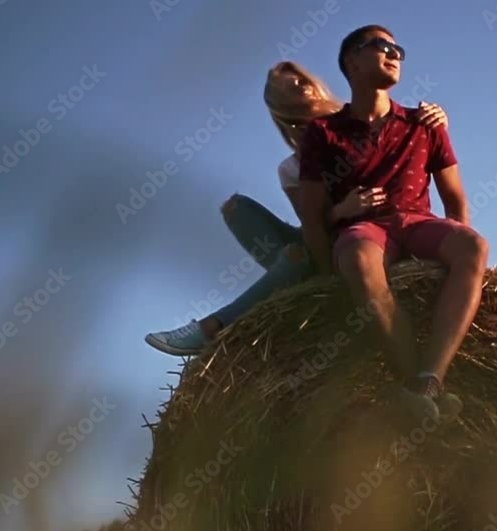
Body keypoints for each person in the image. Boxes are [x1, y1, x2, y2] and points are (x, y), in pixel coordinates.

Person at [145, 61, 449, 356]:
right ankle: (302, 280)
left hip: (378, 238)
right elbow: (315, 224)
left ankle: (214, 326)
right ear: (278, 106)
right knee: (237, 209)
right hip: (328, 242)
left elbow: (410, 142)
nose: (298, 83)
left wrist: (435, 120)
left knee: (295, 257)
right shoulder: (292, 168)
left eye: (300, 78)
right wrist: (343, 209)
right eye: (285, 86)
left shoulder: (365, 122)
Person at [298, 25, 489, 422]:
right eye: (381, 46)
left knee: (474, 246)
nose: (394, 54)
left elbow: (455, 199)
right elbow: (312, 215)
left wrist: (448, 264)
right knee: (358, 258)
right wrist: (323, 275)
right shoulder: (323, 132)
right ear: (352, 60)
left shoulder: (425, 123)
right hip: (368, 228)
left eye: (398, 48)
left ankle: (429, 379)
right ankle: (411, 383)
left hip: (418, 221)